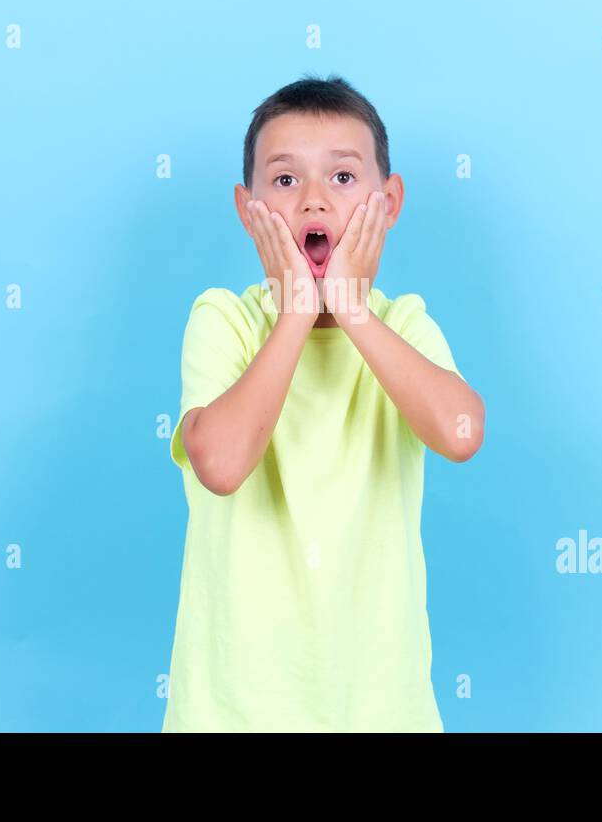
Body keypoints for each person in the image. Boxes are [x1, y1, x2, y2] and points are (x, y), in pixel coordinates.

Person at [163, 73, 485, 731]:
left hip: (380, 713)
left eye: (342, 178)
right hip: (233, 714)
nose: (314, 202)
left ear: (388, 202)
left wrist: (353, 311)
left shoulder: (404, 326)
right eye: (284, 181)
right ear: (247, 207)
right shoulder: (222, 320)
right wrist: (294, 316)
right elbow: (220, 466)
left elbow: (460, 433)